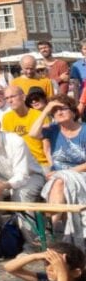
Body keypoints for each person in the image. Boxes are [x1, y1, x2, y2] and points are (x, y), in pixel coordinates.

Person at [0, 110, 46, 246]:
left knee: (20, 193)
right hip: (5, 177)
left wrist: (4, 186)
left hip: (32, 176)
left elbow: (22, 175)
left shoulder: (15, 140)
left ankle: (34, 244)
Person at [29, 95, 86, 241]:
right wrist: (46, 109)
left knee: (60, 181)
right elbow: (32, 133)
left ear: (73, 112)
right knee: (59, 182)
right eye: (55, 111)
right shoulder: (53, 129)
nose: (58, 112)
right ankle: (52, 231)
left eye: (63, 109)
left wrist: (65, 173)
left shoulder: (84, 130)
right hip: (57, 178)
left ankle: (50, 229)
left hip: (80, 175)